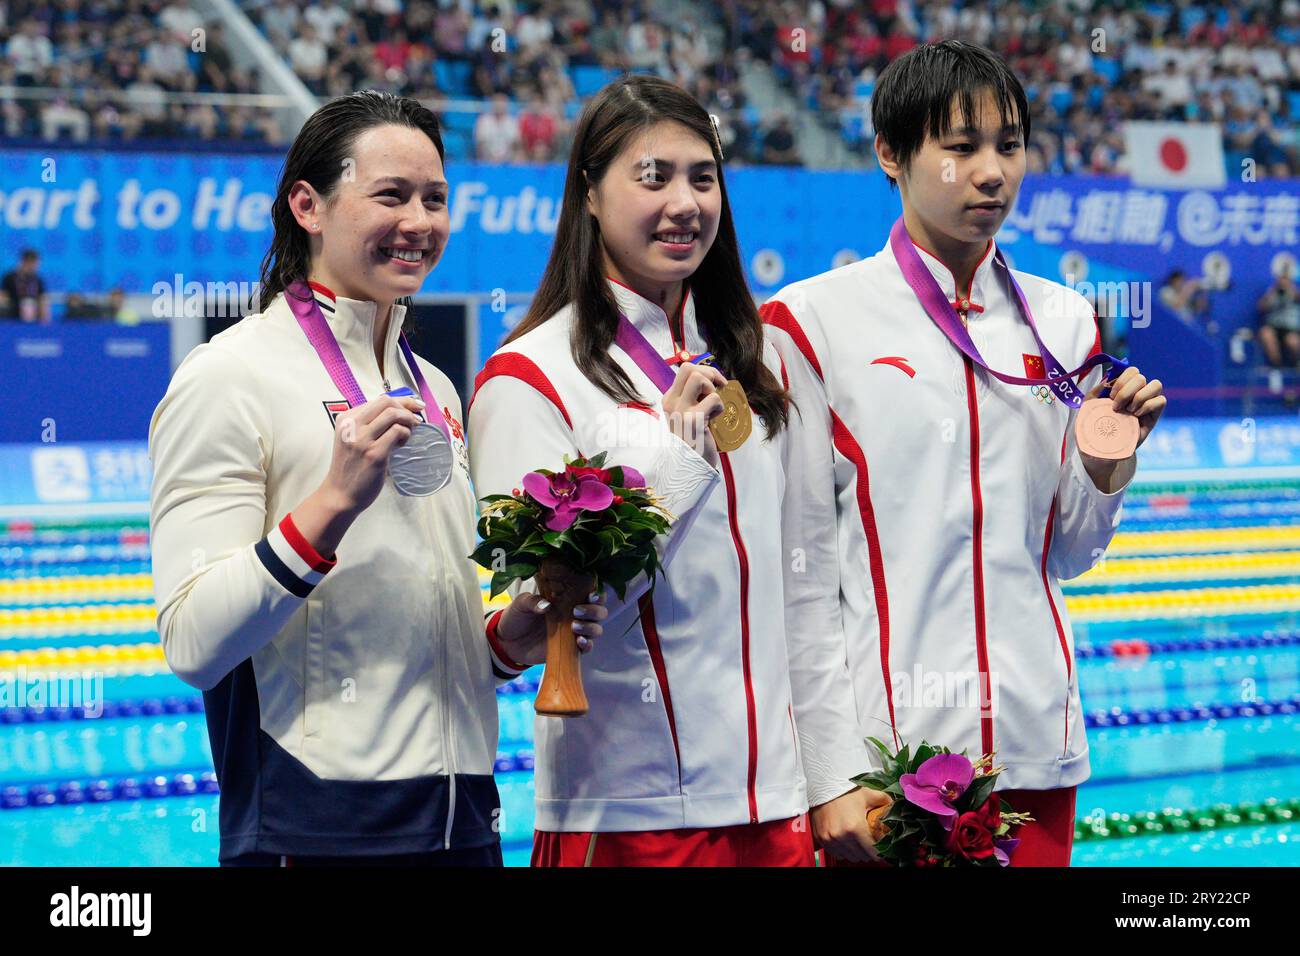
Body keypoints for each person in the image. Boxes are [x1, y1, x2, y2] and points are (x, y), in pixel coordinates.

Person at [149, 91, 605, 867]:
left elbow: (410, 615)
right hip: (315, 825)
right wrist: (330, 504)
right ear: (307, 205)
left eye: (435, 199)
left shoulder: (434, 387)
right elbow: (193, 642)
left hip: (463, 819)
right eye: (390, 195)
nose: (420, 222)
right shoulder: (228, 376)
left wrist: (501, 643)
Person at [763, 40, 1167, 866]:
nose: (993, 172)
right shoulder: (812, 324)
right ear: (890, 153)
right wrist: (829, 772)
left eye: (1009, 145)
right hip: (892, 761)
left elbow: (1072, 552)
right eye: (961, 146)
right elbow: (798, 578)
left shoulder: (1063, 324)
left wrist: (1108, 465)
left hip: (1034, 743)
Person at [469, 75, 860, 866]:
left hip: (775, 809)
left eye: (702, 177)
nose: (684, 202)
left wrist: (829, 778)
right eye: (653, 176)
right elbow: (540, 625)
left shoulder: (759, 363)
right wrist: (672, 459)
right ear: (588, 193)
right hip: (627, 819)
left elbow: (807, 590)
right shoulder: (529, 377)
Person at [1255, 261, 1300, 368]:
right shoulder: (1271, 293)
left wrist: (1292, 290)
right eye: (1281, 281)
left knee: (1292, 341)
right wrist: (1272, 292)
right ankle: (1277, 366)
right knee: (1266, 334)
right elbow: (1261, 308)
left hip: (1291, 329)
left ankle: (1295, 365)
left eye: (1286, 281)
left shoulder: (1294, 293)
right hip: (1273, 327)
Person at [0, 249, 50, 323]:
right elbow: (2, 295)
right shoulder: (9, 277)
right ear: (25, 262)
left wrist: (45, 316)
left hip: (33, 313)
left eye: (37, 264)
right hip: (13, 312)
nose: (36, 267)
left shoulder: (38, 280)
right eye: (34, 264)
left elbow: (42, 298)